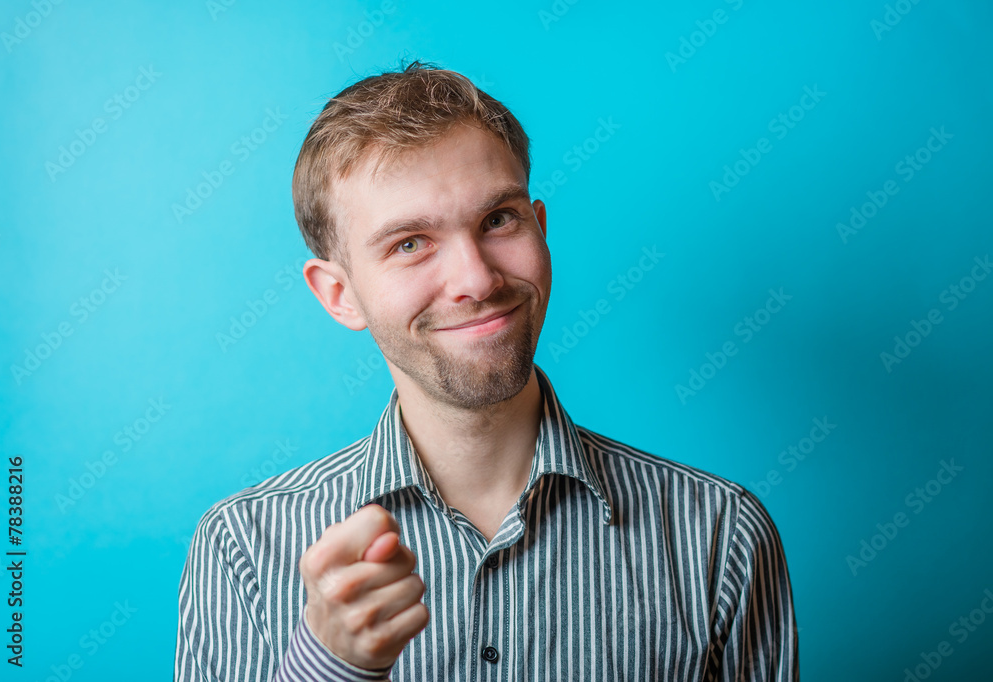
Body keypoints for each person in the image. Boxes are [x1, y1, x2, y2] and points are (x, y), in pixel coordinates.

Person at [175, 59, 799, 681]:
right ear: (339, 295)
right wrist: (327, 668)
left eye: (498, 219)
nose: (476, 279)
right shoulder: (244, 548)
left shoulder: (720, 536)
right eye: (409, 244)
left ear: (540, 227)